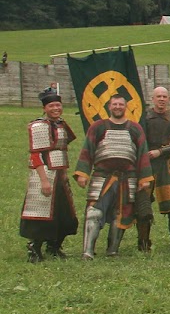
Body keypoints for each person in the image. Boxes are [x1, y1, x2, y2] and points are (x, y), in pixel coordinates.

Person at [74, 95, 151, 259]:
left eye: (121, 104)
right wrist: (82, 173)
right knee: (94, 212)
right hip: (102, 176)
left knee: (121, 214)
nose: (117, 107)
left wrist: (144, 179)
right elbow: (87, 149)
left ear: (126, 107)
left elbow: (142, 154)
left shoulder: (135, 128)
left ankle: (113, 249)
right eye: (114, 104)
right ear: (109, 106)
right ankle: (87, 251)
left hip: (127, 177)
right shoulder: (98, 127)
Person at [22, 87, 78, 262]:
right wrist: (44, 180)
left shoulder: (61, 124)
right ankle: (34, 248)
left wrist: (64, 174)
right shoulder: (39, 126)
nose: (56, 109)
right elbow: (36, 154)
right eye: (52, 106)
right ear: (45, 108)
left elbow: (62, 149)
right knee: (41, 214)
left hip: (60, 175)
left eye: (58, 105)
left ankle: (54, 246)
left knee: (65, 214)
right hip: (45, 174)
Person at [139, 86, 170, 252]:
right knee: (143, 206)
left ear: (168, 99)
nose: (161, 99)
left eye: (164, 96)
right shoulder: (143, 116)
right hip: (145, 165)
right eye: (158, 96)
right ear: (152, 98)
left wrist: (160, 151)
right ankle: (143, 244)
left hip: (165, 165)